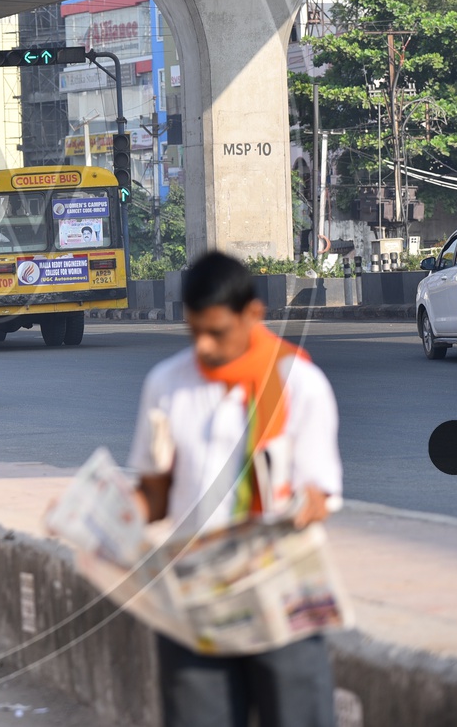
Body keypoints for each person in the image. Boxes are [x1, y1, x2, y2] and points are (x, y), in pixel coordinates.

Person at [128, 252, 342, 727]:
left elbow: (319, 494)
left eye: (217, 332)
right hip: (196, 592)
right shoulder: (167, 384)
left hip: (279, 588)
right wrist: (106, 514)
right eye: (194, 332)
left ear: (252, 314)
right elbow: (155, 494)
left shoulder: (298, 383)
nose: (204, 346)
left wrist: (298, 506)